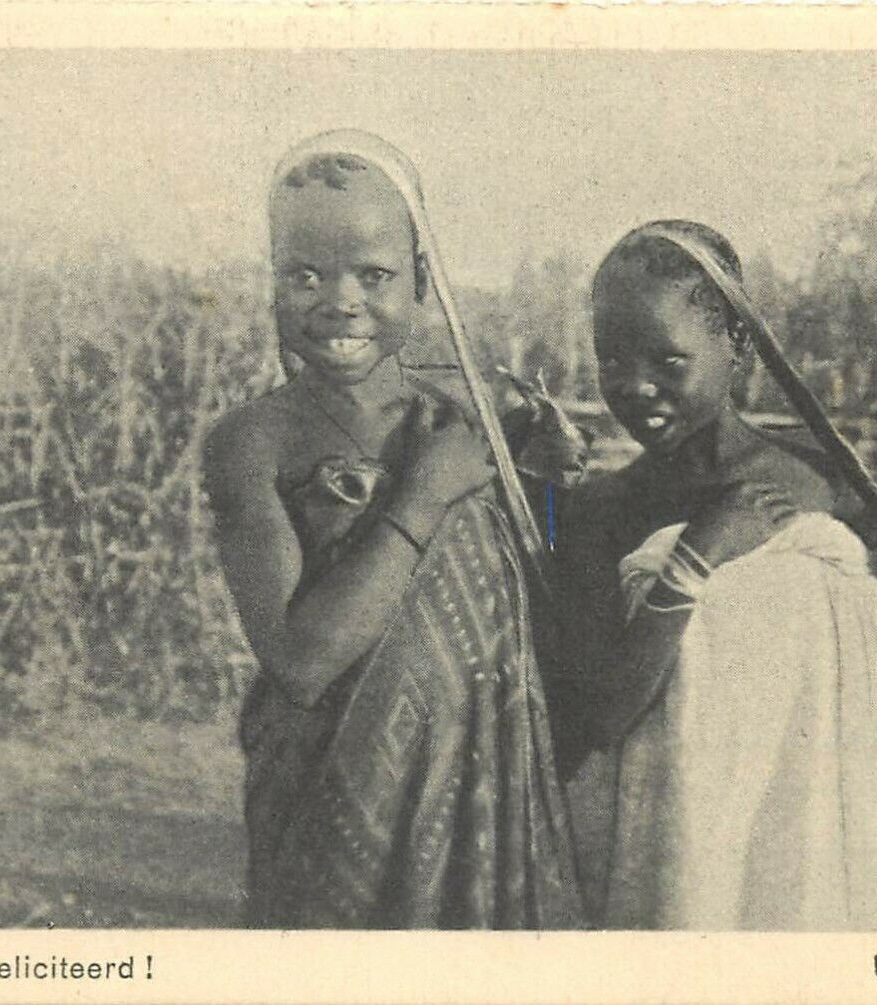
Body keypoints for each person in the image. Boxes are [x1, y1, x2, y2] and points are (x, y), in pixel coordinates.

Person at [202, 130, 583, 929]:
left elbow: (532, 586)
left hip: (475, 786)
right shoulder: (254, 440)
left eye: (372, 275)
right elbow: (300, 662)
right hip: (329, 796)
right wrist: (423, 495)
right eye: (305, 273)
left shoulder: (467, 413)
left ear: (419, 280)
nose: (340, 300)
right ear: (272, 281)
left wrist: (544, 482)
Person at [544, 220, 877, 931]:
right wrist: (697, 556)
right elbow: (602, 711)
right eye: (612, 360)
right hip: (674, 864)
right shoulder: (602, 511)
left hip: (799, 836)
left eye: (668, 360)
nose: (636, 385)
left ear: (738, 345)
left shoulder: (815, 477)